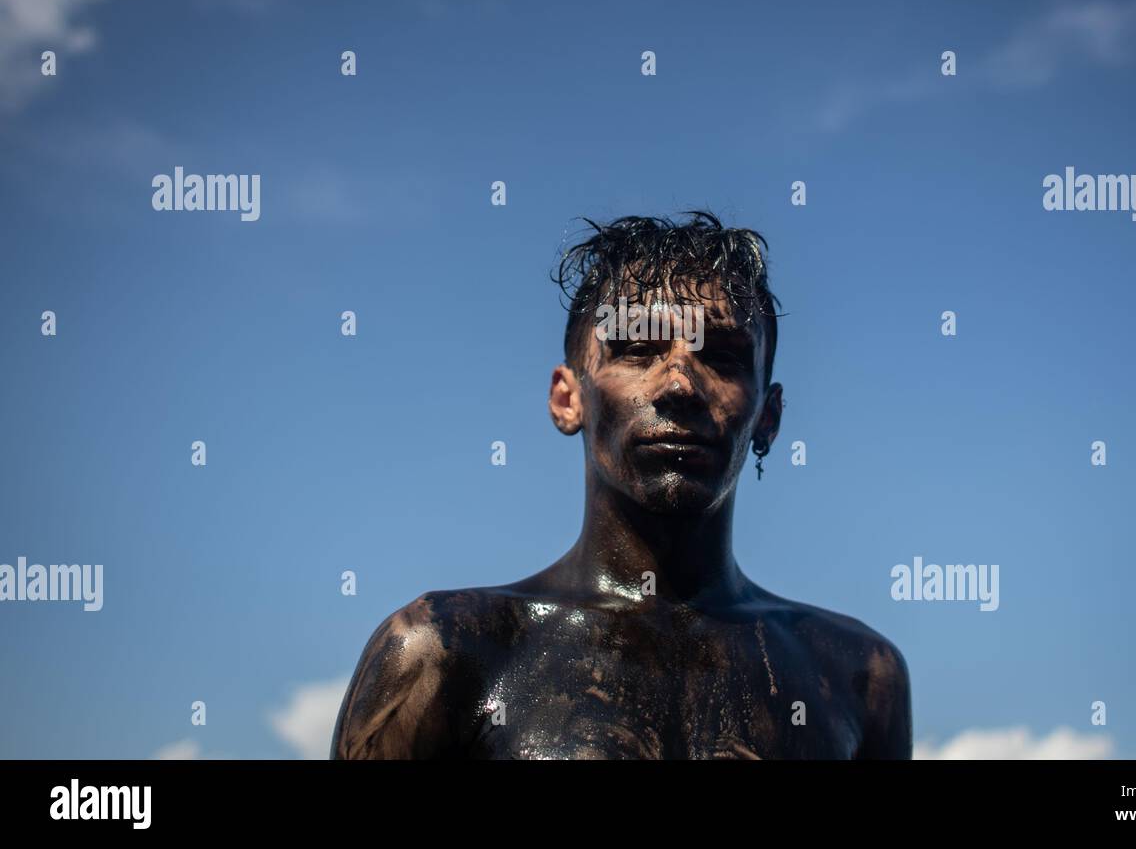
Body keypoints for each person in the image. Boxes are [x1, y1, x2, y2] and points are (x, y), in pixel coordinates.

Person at [331, 211, 911, 759]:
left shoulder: (857, 675)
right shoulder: (445, 651)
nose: (680, 384)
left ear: (769, 415)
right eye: (637, 349)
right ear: (569, 397)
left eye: (724, 357)